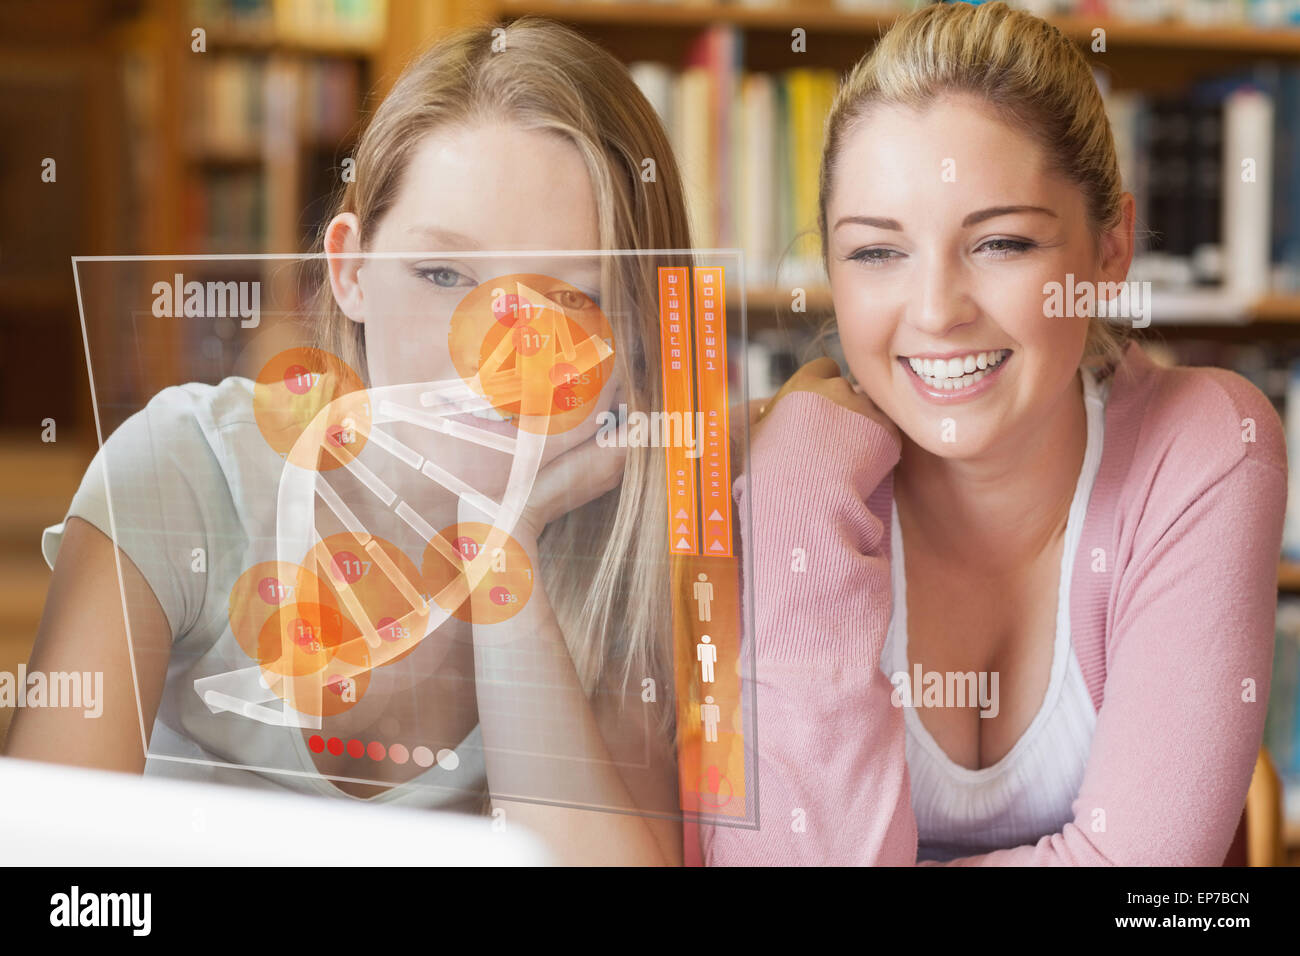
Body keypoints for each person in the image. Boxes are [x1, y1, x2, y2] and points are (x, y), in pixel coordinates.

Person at [8, 17, 696, 866]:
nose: (487, 354)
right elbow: (50, 876)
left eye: (569, 300)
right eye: (444, 276)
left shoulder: (632, 548)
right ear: (351, 271)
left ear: (635, 336)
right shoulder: (185, 471)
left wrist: (504, 561)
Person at [697, 0, 1287, 865]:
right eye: (876, 253)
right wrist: (801, 482)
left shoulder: (1204, 445)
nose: (937, 312)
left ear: (1111, 247)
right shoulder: (769, 476)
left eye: (1002, 244)